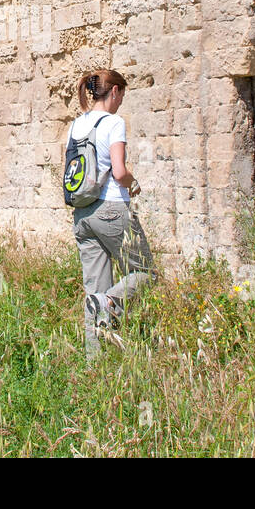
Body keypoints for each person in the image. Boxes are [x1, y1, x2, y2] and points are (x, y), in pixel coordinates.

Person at [66, 68, 155, 359]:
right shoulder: (114, 122)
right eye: (122, 95)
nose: (121, 103)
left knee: (94, 288)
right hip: (110, 209)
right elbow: (118, 172)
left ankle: (95, 362)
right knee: (145, 273)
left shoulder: (76, 125)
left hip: (82, 214)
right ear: (114, 91)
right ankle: (110, 304)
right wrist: (135, 183)